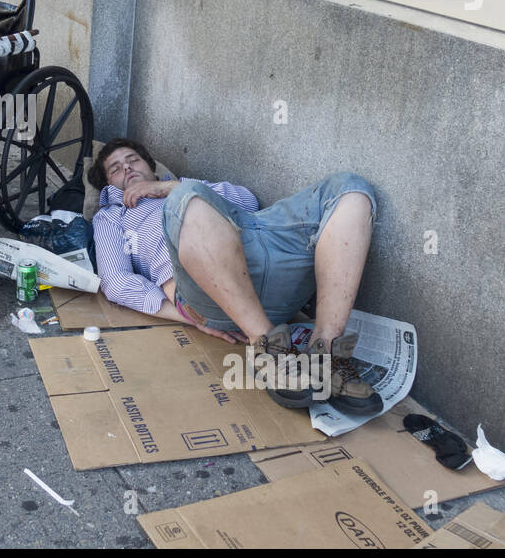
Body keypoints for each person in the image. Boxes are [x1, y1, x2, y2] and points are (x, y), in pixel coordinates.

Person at [89, 138, 381, 415]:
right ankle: (270, 348)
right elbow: (116, 283)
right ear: (109, 184)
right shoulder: (112, 217)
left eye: (133, 160)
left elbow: (249, 201)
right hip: (213, 292)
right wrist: (187, 316)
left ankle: (325, 351)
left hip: (263, 251)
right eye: (115, 169)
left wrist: (170, 187)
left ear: (151, 167)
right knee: (188, 202)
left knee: (351, 188)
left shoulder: (185, 186)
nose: (127, 168)